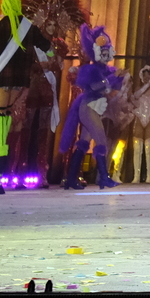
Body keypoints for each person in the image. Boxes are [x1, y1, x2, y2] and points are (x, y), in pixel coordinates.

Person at [0, 0, 54, 195]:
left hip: (0, 78)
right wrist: (49, 59)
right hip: (20, 82)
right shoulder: (30, 28)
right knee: (5, 115)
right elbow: (48, 48)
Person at [59, 24, 121, 189]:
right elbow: (91, 86)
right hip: (89, 106)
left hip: (93, 106)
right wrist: (106, 86)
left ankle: (71, 179)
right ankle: (103, 178)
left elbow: (109, 89)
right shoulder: (90, 69)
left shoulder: (105, 70)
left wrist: (114, 84)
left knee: (84, 142)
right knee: (101, 141)